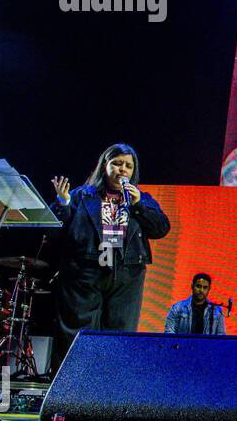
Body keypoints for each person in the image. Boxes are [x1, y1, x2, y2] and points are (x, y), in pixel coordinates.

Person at [48, 144, 170, 370]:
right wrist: (63, 203)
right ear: (105, 166)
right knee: (76, 331)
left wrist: (138, 205)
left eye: (128, 166)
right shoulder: (81, 195)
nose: (122, 170)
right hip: (85, 273)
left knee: (119, 333)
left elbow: (161, 229)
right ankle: (69, 391)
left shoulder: (142, 199)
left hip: (127, 273)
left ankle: (108, 394)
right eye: (117, 163)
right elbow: (53, 230)